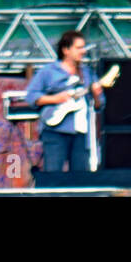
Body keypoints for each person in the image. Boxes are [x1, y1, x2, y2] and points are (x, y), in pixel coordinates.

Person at [25, 30, 105, 173]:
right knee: (53, 174)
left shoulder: (87, 73)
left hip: (80, 132)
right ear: (66, 50)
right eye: (79, 48)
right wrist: (55, 98)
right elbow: (31, 96)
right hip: (55, 131)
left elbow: (99, 105)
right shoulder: (48, 71)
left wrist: (97, 95)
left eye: (84, 47)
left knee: (80, 177)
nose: (83, 51)